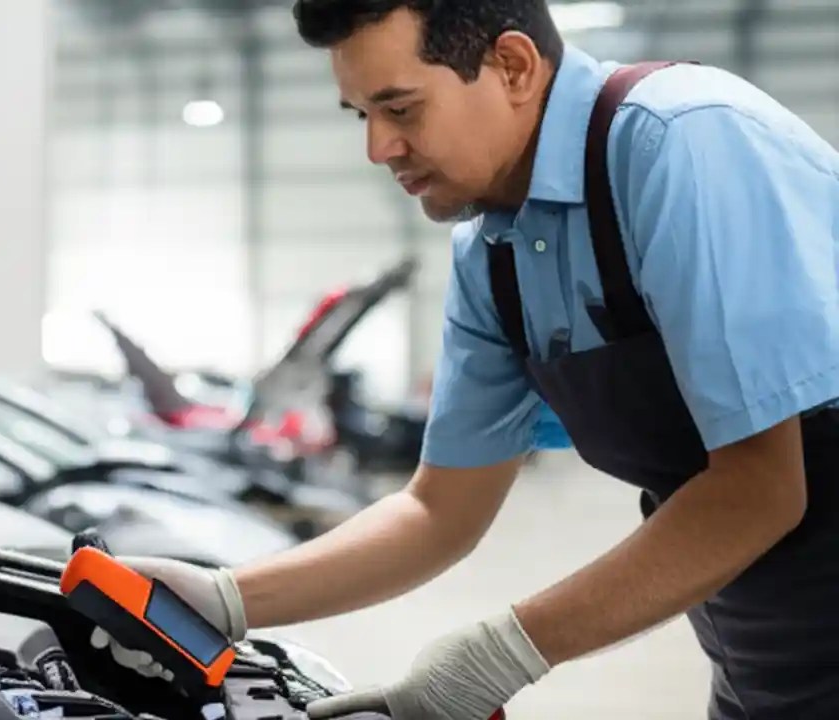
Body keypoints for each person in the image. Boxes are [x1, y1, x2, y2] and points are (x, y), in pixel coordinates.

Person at [86, 2, 839, 718]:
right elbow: (436, 510)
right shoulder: (494, 257)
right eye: (362, 115)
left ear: (512, 66)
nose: (377, 148)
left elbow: (760, 491)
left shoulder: (684, 144)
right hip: (760, 653)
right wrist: (227, 599)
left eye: (401, 108)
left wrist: (498, 654)